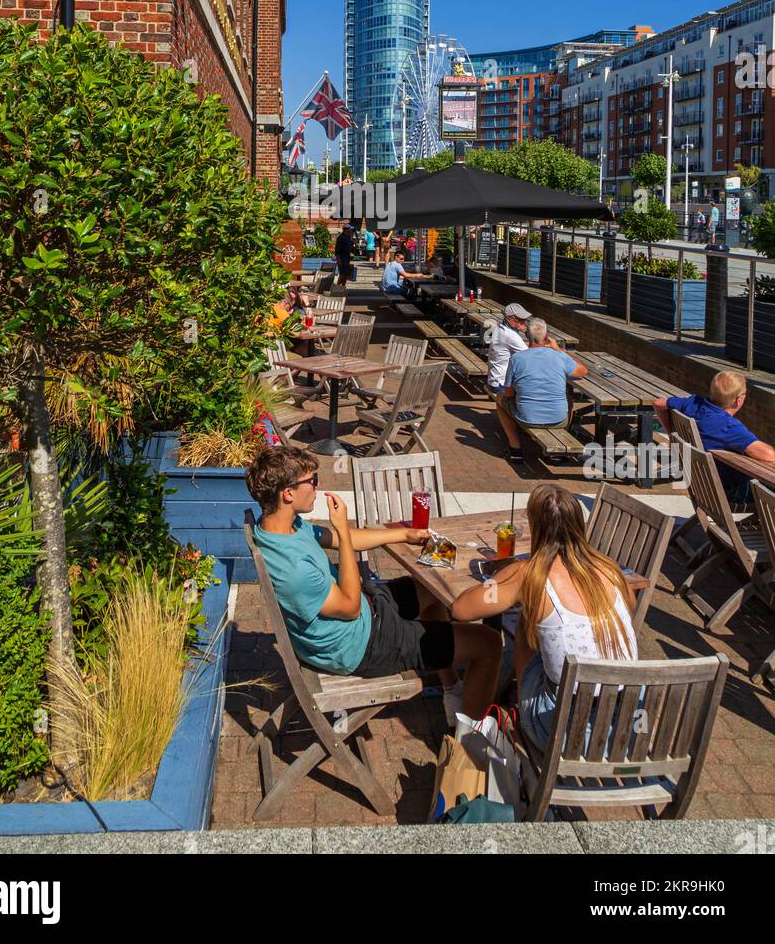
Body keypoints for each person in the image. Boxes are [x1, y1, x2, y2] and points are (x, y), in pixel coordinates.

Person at [247, 445, 500, 722]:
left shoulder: (283, 526)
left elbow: (344, 539)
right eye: (312, 481)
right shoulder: (292, 568)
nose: (318, 487)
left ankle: (451, 688)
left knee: (431, 586)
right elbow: (350, 606)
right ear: (288, 493)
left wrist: (404, 534)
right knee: (488, 643)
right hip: (360, 645)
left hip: (367, 611)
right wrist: (343, 531)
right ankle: (470, 745)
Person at [451, 483, 637, 751]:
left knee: (527, 625)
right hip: (622, 726)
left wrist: (502, 577)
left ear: (535, 527)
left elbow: (461, 608)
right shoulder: (609, 569)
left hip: (561, 730)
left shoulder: (528, 574)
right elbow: (628, 610)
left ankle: (495, 722)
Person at [654, 370, 775, 505]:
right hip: (730, 491)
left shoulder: (693, 403)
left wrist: (671, 434)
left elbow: (659, 403)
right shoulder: (728, 427)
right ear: (738, 400)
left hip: (702, 487)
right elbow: (768, 455)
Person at [495, 317, 588, 462]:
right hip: (559, 419)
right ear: (546, 336)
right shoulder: (559, 356)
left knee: (499, 398)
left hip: (526, 418)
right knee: (569, 399)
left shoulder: (517, 359)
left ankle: (515, 448)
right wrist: (560, 350)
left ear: (527, 336)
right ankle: (558, 446)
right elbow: (583, 371)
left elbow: (508, 393)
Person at [487, 302, 531, 392]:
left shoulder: (500, 327)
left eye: (525, 320)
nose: (524, 322)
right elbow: (531, 357)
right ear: (509, 318)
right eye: (520, 320)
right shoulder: (510, 335)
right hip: (501, 384)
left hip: (494, 379)